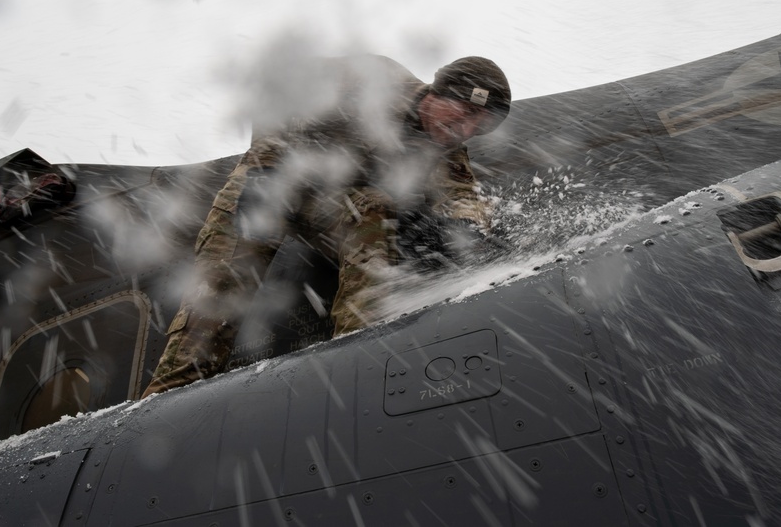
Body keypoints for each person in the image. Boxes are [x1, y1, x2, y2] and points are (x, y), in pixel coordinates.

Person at [141, 54, 511, 397]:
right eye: (465, 113)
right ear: (441, 91)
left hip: (330, 206)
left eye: (478, 128)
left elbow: (463, 199)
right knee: (223, 284)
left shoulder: (446, 149)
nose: (465, 130)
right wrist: (265, 167)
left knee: (376, 213)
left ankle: (356, 358)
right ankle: (167, 394)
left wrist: (470, 235)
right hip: (271, 181)